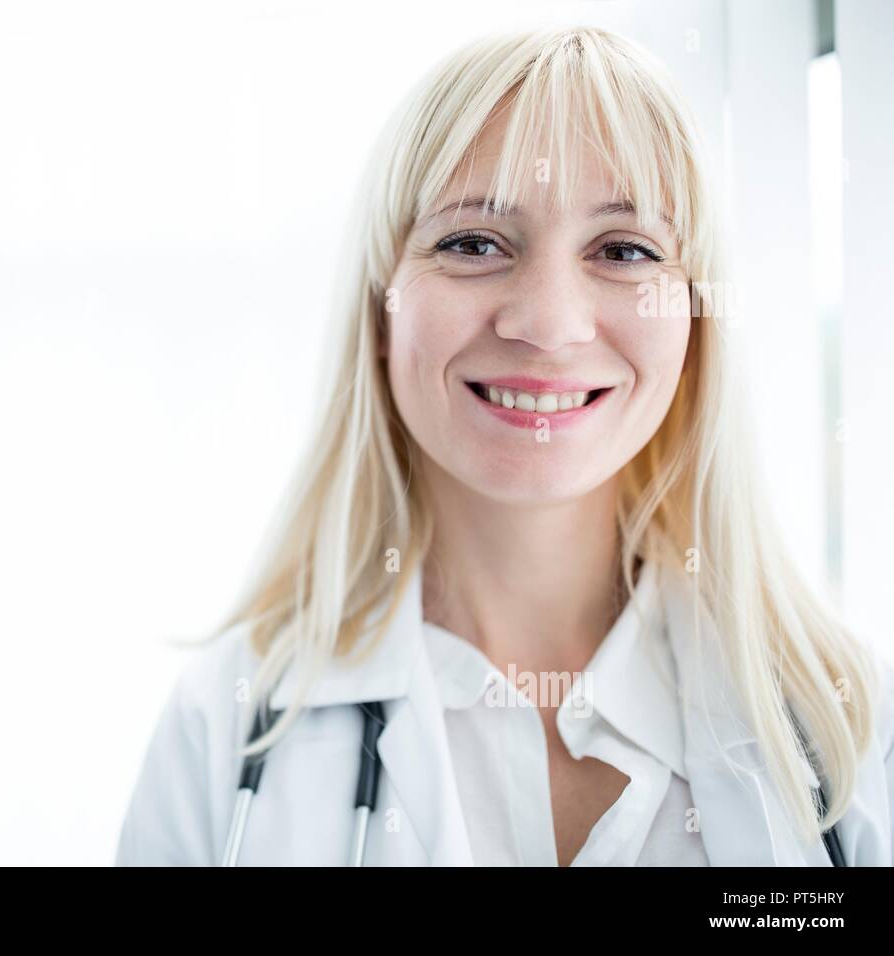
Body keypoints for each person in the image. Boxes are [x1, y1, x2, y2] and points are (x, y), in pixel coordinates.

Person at [115, 25, 894, 866]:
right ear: (382, 312)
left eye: (624, 250)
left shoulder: (847, 731)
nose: (548, 324)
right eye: (473, 244)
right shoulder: (225, 728)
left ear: (696, 326)